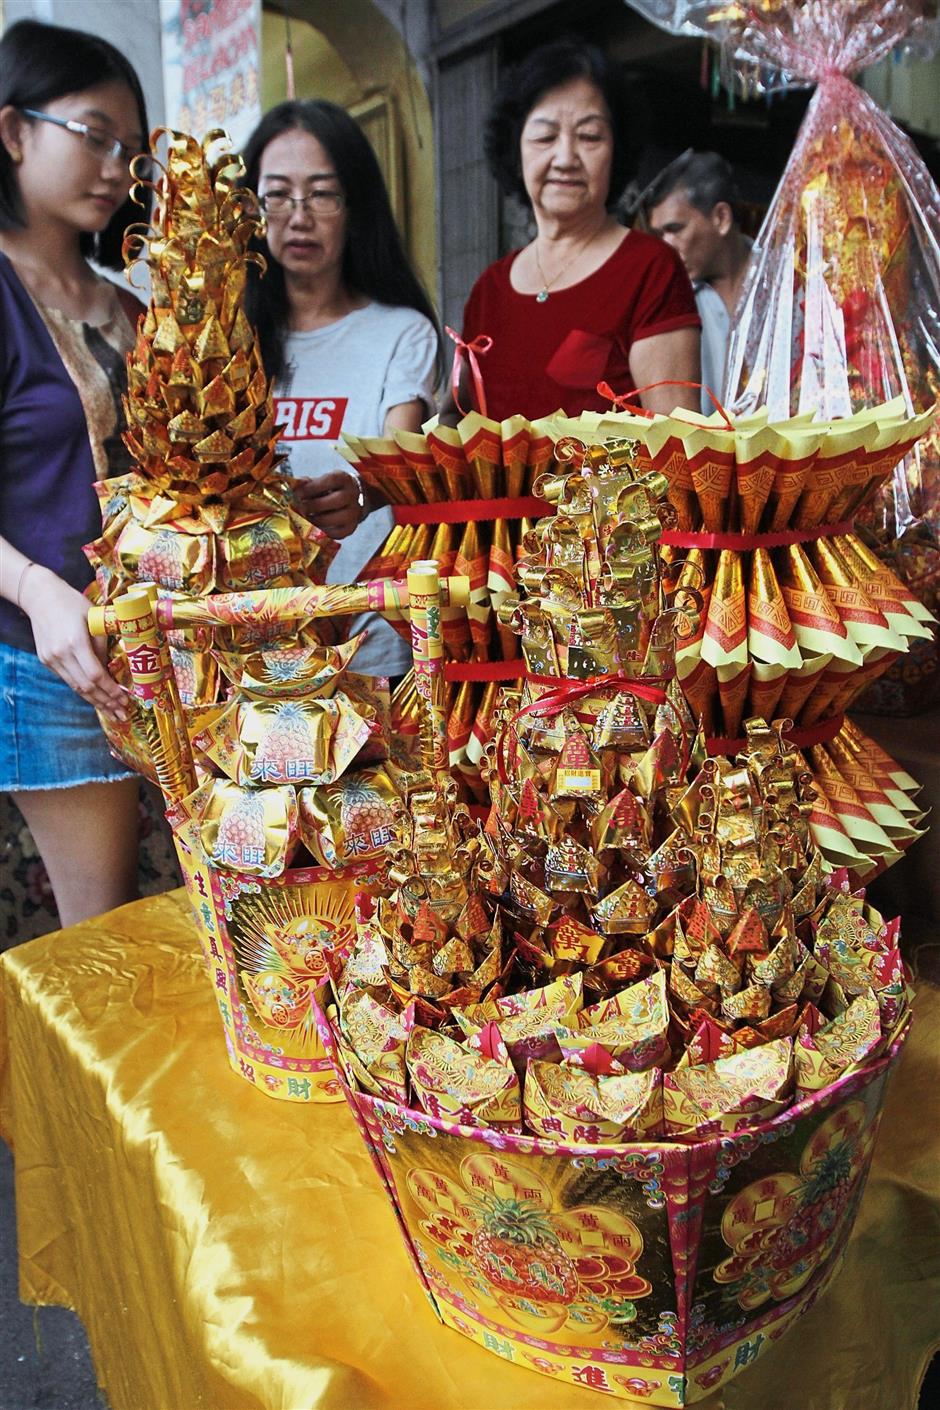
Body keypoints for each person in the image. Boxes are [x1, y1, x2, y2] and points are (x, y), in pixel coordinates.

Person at [0, 19, 151, 928]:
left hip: (164, 652)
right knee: (106, 929)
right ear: (13, 131)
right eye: (93, 135)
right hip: (46, 657)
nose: (115, 168)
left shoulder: (130, 305)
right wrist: (35, 589)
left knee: (200, 909)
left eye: (130, 150)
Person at [242, 100, 442, 678]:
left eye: (322, 194)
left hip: (368, 641)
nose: (298, 216)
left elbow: (397, 464)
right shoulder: (229, 341)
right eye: (277, 194)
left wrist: (362, 493)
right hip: (251, 644)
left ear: (355, 207)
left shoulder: (400, 332)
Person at [454, 39, 701, 423]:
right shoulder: (489, 290)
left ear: (616, 152)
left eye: (589, 136)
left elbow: (677, 437)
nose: (566, 158)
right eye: (545, 137)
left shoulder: (650, 269)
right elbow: (463, 425)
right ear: (515, 152)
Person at [645, 150, 753, 414]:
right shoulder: (665, 301)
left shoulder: (788, 279)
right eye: (658, 234)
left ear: (721, 218)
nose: (665, 246)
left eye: (675, 229)